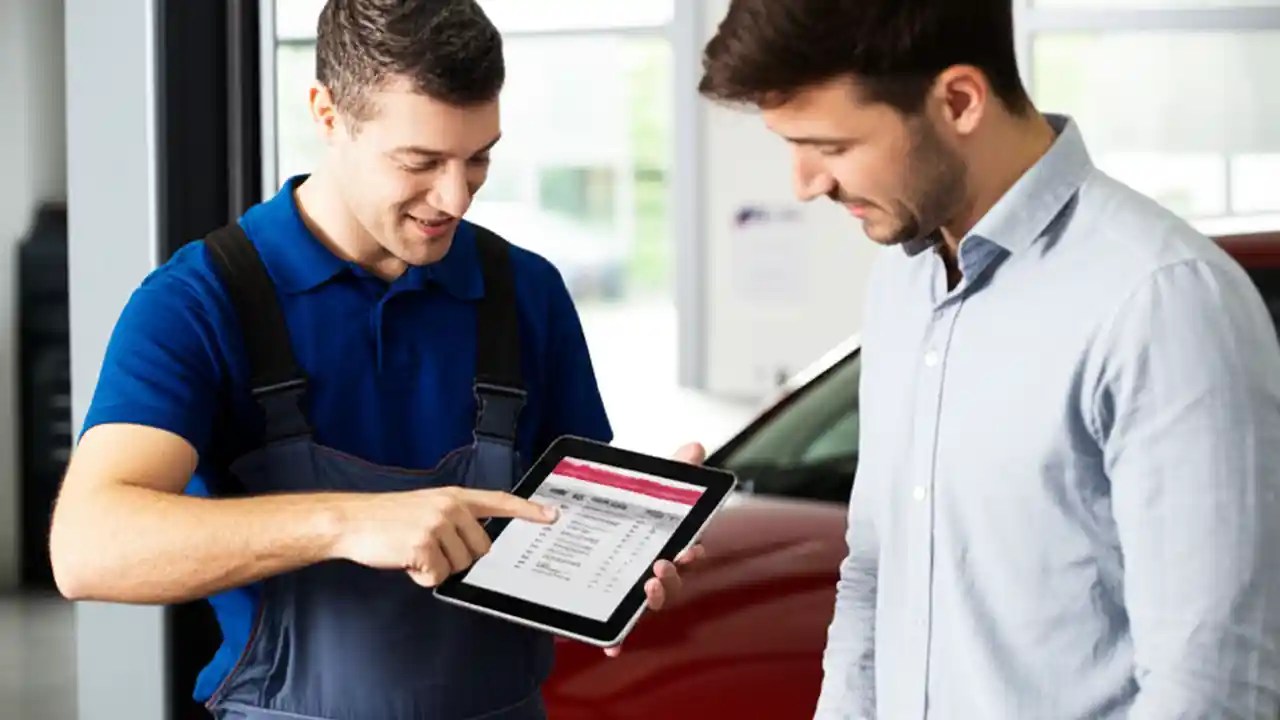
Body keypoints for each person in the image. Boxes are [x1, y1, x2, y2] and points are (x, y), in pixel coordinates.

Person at [48, 1, 702, 718]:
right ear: (327, 114)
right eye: (420, 163)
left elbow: (553, 529)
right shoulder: (199, 302)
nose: (455, 197)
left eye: (478, 157)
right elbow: (88, 549)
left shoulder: (527, 292)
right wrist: (349, 523)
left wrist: (623, 560)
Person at [698, 0, 1280, 717]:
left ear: (960, 101)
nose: (804, 184)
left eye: (833, 147)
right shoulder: (903, 280)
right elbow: (874, 575)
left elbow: (1210, 685)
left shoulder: (1162, 300)